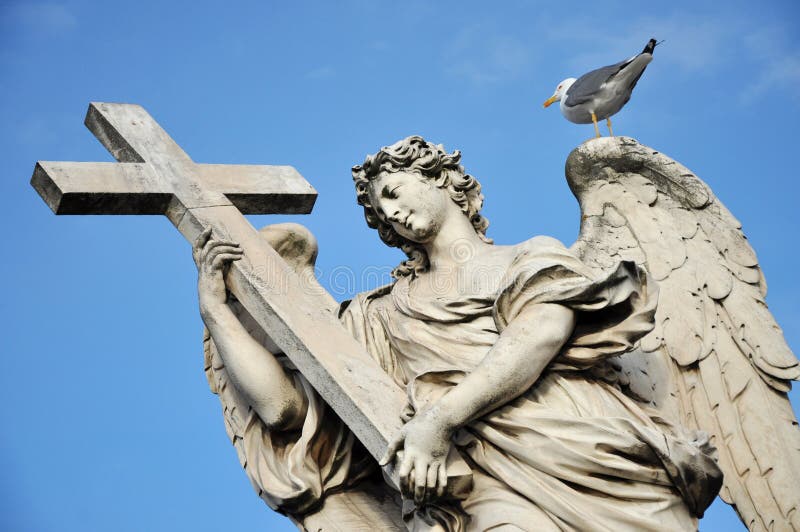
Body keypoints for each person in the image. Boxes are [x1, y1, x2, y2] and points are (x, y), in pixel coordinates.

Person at [196, 136, 722, 531]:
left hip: (586, 444)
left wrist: (439, 419)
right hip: (479, 475)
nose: (393, 212)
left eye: (396, 192)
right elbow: (284, 411)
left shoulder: (528, 255)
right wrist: (218, 312)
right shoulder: (379, 314)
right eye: (382, 211)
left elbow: (539, 333)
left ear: (441, 180)